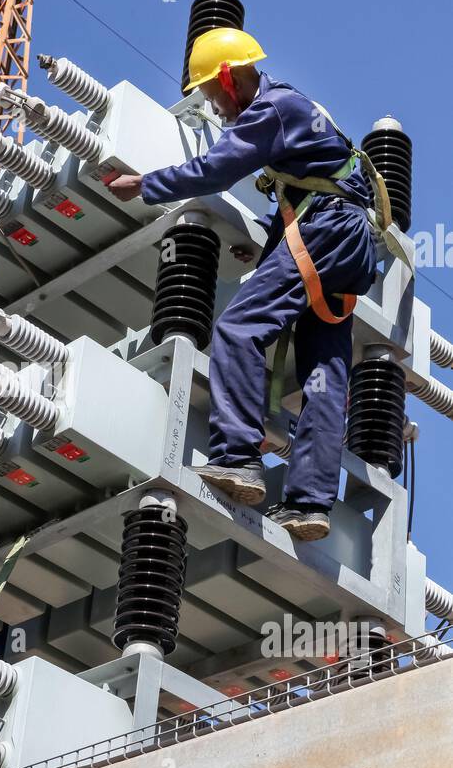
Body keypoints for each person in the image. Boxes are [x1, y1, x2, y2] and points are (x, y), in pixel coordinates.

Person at [107, 27, 378, 542]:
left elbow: (215, 170)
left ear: (230, 78)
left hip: (328, 229)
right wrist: (269, 251)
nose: (216, 107)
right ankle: (308, 505)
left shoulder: (271, 109)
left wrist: (146, 185)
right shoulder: (297, 111)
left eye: (211, 94)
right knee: (324, 370)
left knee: (238, 328)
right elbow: (312, 188)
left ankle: (237, 460)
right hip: (348, 240)